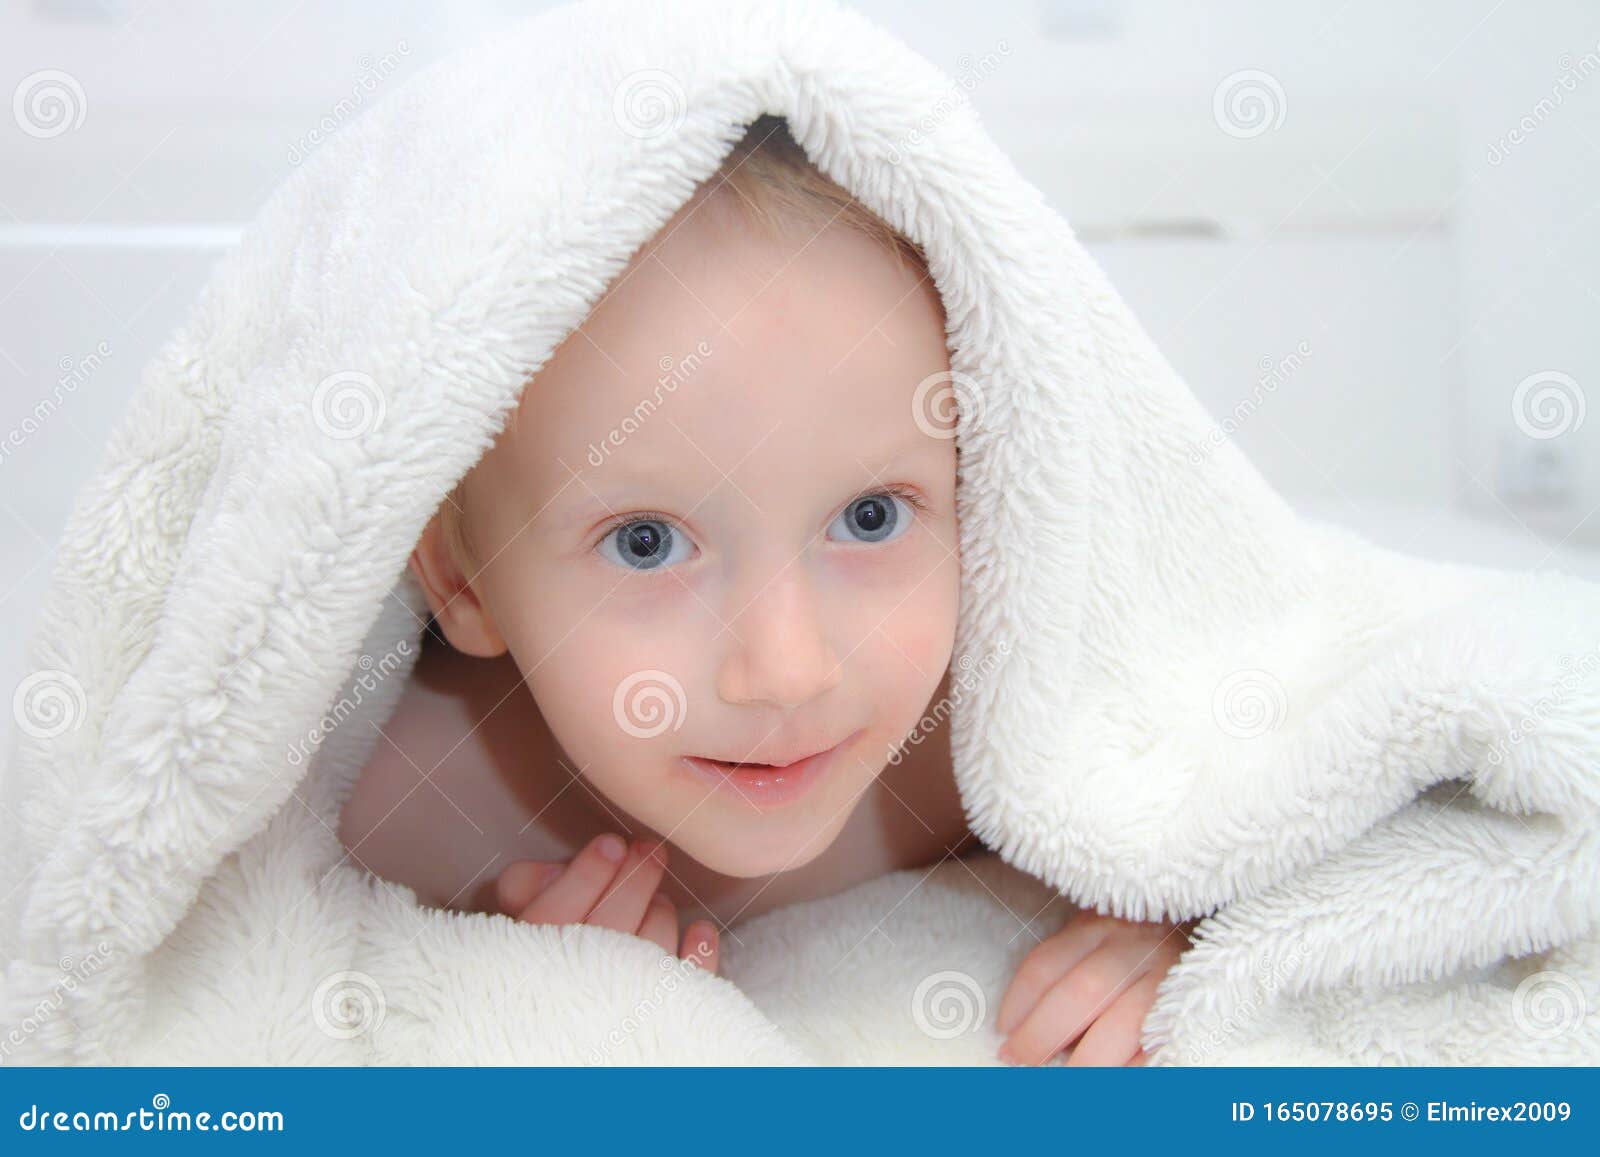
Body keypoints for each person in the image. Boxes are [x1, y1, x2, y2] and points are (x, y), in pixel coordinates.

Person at [338, 114, 1190, 1066]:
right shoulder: (384, 806)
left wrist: (1168, 920)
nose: (786, 670)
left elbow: (1302, 754)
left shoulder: (1000, 735)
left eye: (871, 516)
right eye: (647, 542)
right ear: (462, 577)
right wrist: (507, 1014)